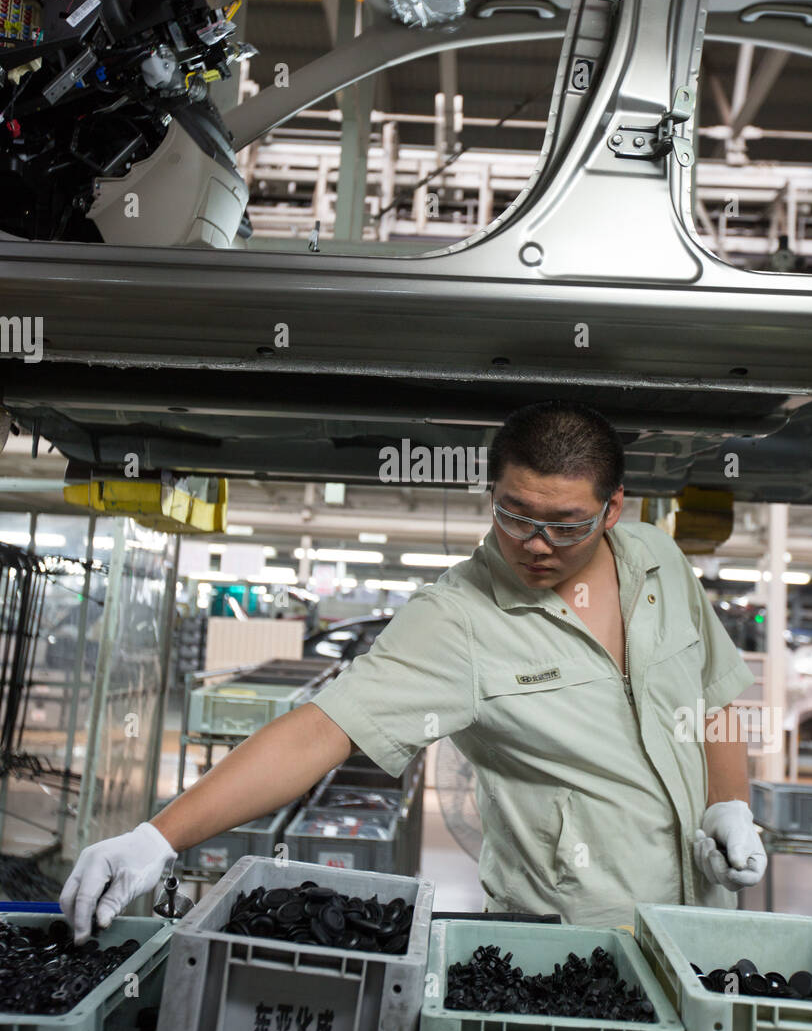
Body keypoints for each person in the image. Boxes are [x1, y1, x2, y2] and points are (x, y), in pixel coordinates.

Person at [60, 400, 766, 942]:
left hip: (702, 922)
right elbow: (322, 730)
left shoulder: (657, 560)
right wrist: (159, 835)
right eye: (514, 515)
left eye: (568, 524)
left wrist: (727, 805)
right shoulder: (456, 620)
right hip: (572, 945)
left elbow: (712, 695)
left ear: (614, 510)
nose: (537, 545)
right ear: (491, 493)